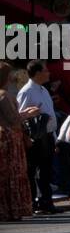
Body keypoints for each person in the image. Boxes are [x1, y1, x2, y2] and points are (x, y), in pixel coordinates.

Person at [16, 59, 57, 213]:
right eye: (46, 70)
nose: (48, 72)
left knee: (46, 170)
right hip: (35, 138)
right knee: (33, 171)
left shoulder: (43, 90)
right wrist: (26, 138)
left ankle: (46, 202)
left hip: (47, 136)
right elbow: (20, 116)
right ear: (38, 73)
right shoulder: (26, 91)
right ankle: (33, 202)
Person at [0, 62, 34, 221]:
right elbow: (13, 119)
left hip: (5, 137)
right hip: (9, 137)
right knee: (12, 173)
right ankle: (12, 208)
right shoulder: (4, 96)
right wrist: (28, 114)